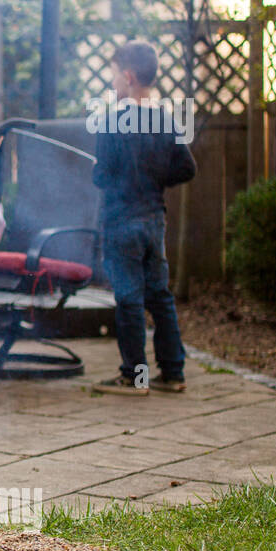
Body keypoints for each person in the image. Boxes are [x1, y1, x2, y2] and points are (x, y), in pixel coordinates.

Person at [90, 41, 196, 397]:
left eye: (114, 75)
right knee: (160, 297)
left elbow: (102, 176)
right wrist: (154, 178)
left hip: (122, 223)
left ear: (129, 76)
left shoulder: (111, 120)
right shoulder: (165, 119)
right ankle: (174, 373)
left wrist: (105, 172)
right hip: (154, 220)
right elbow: (186, 167)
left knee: (130, 299)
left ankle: (134, 378)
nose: (113, 82)